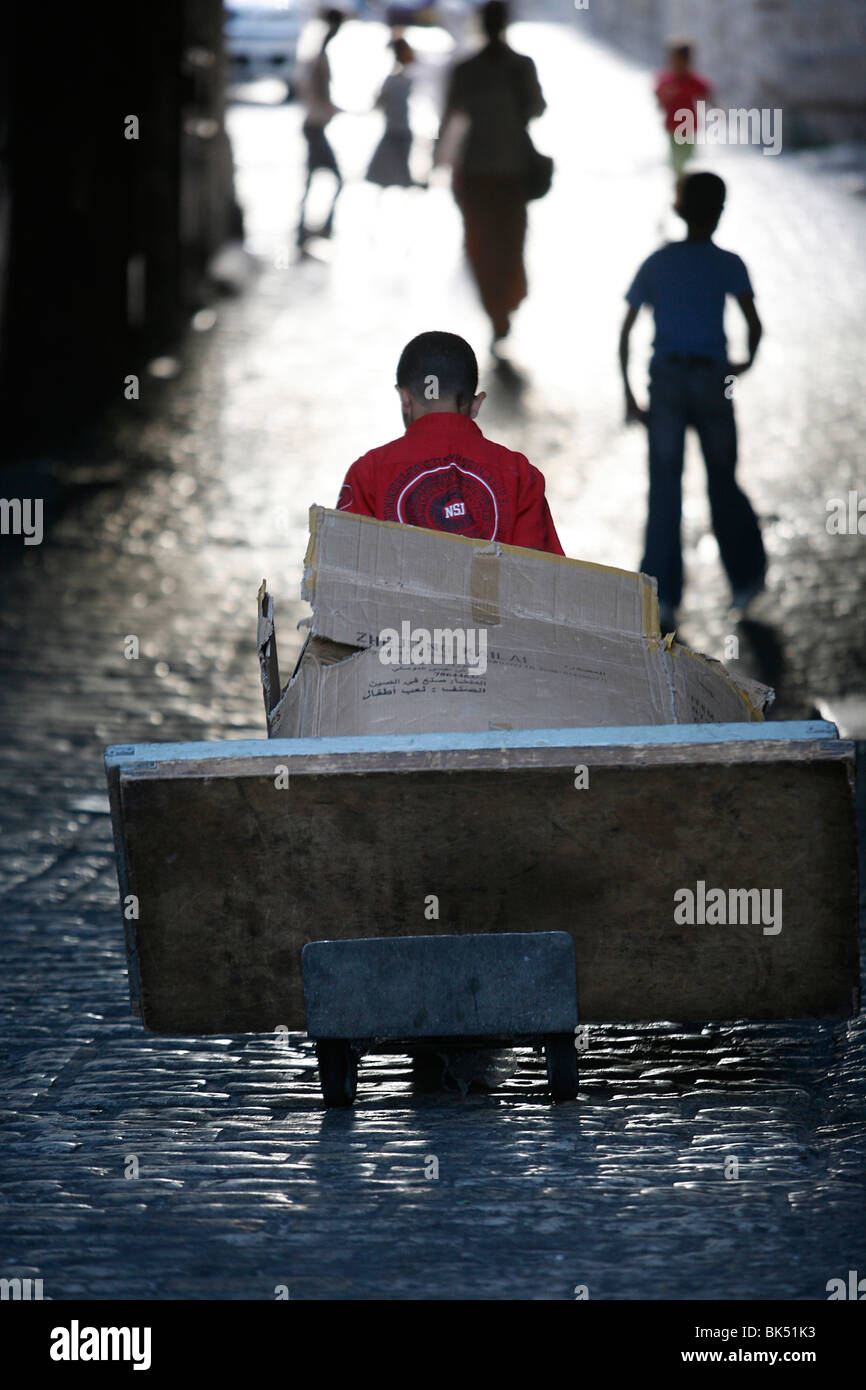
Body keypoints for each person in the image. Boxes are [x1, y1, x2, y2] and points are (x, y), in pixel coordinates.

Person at [619, 172, 766, 630]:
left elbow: (625, 332)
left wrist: (627, 394)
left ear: (680, 211)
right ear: (719, 212)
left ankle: (661, 596)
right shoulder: (730, 263)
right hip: (712, 380)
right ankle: (746, 578)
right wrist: (739, 367)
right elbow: (754, 326)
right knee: (722, 479)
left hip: (665, 381)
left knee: (664, 487)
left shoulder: (658, 262)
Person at [336, 330, 564, 553]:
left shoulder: (369, 472)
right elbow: (539, 578)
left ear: (405, 398)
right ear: (476, 404)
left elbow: (342, 568)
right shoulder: (520, 475)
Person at [438, 1, 546, 354]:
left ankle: (499, 306)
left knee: (483, 244)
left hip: (481, 171)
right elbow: (537, 108)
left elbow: (449, 116)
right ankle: (503, 305)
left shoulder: (469, 69)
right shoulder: (520, 66)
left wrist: (437, 160)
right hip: (507, 171)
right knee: (508, 242)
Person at [296, 9, 345, 249]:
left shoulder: (318, 57)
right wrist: (329, 109)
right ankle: (312, 228)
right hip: (314, 125)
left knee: (314, 178)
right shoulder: (319, 59)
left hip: (315, 124)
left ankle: (305, 229)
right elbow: (316, 93)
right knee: (332, 178)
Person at [655, 41, 711, 183]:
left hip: (689, 126)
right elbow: (659, 97)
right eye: (675, 60)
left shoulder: (693, 80)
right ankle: (679, 186)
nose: (678, 64)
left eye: (681, 61)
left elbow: (706, 92)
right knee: (676, 161)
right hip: (673, 127)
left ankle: (686, 185)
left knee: (688, 158)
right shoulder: (666, 80)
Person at [366, 39, 419, 189]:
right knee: (392, 176)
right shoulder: (400, 79)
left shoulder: (402, 79)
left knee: (394, 176)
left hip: (400, 131)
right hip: (397, 131)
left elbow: (378, 104)